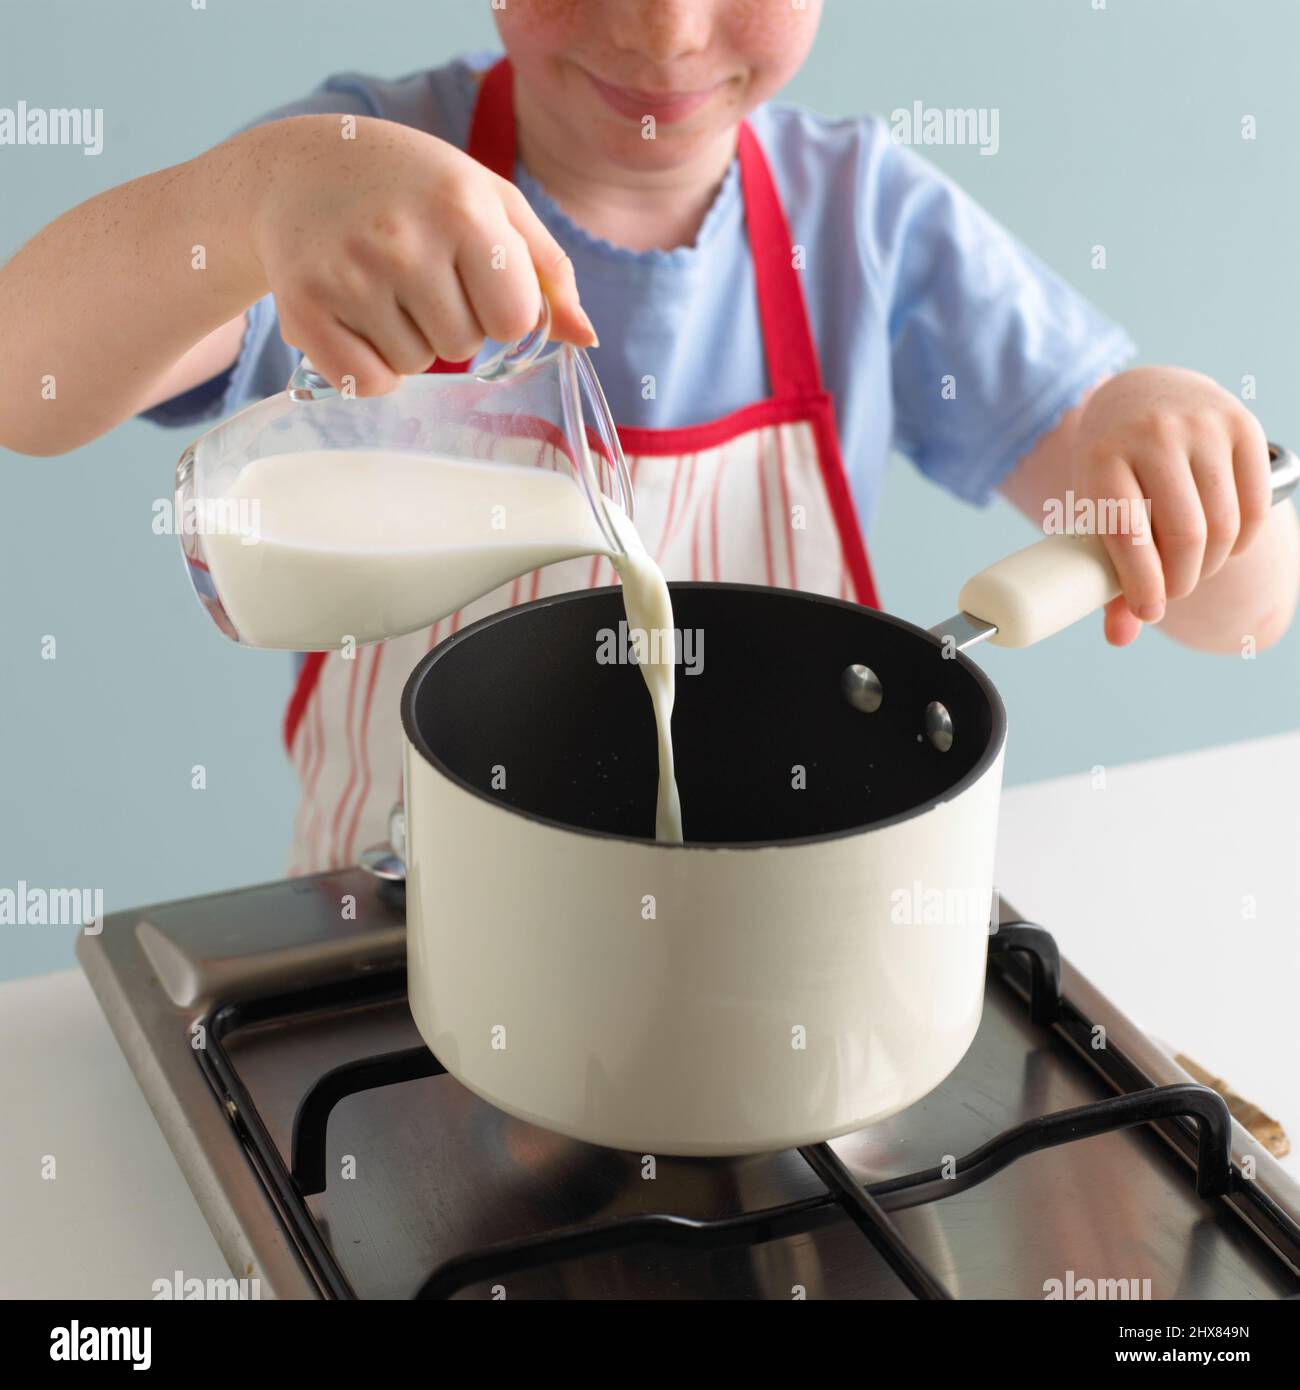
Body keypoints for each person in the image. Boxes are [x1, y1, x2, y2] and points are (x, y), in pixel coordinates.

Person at [2, 0, 1296, 872]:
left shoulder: (867, 223)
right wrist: (251, 197)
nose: (663, 28)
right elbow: (26, 381)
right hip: (385, 945)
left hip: (781, 947)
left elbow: (1238, 612)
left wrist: (1166, 438)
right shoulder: (360, 183)